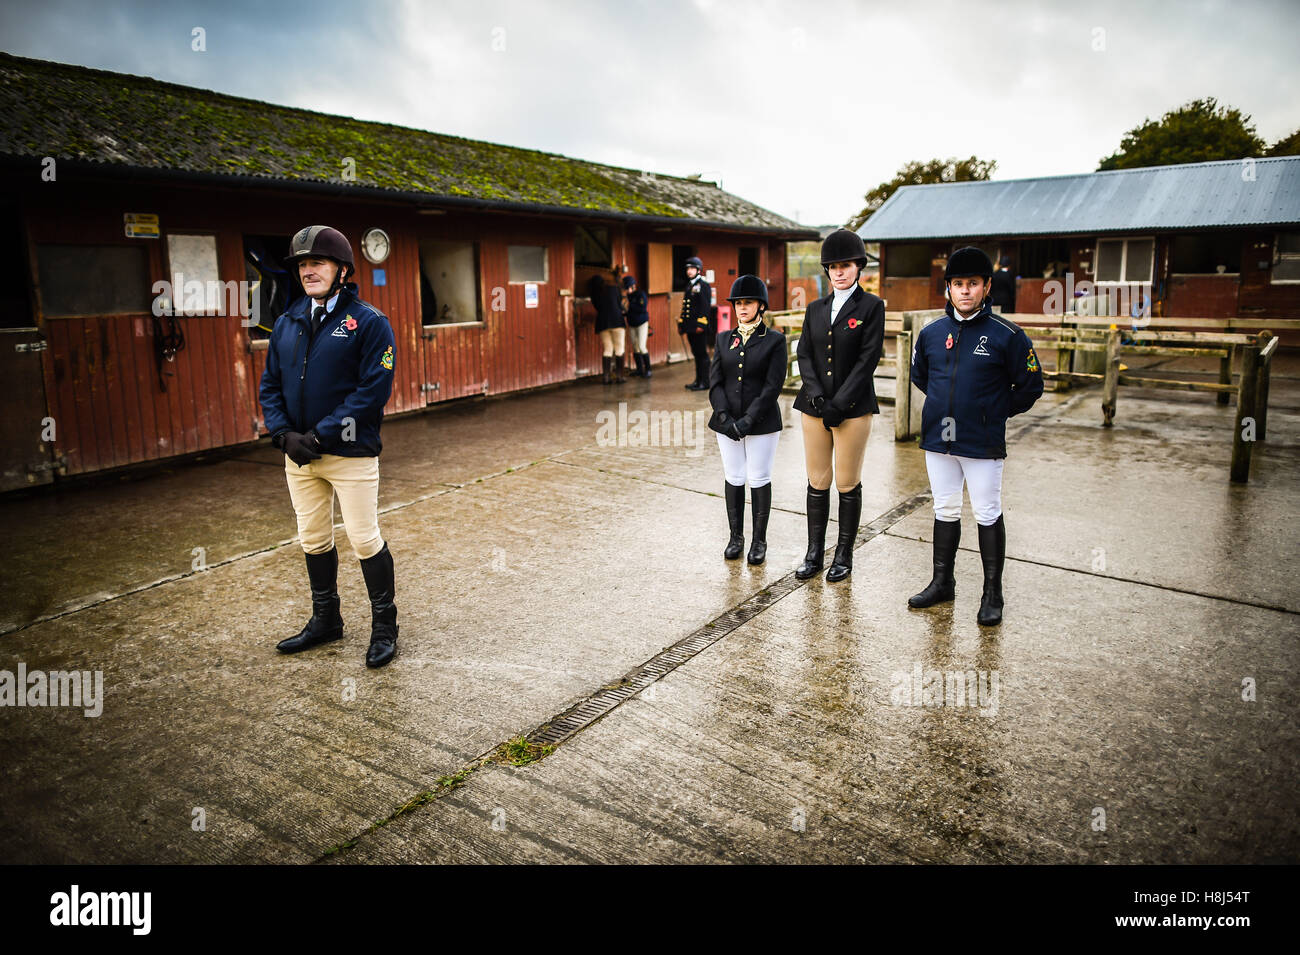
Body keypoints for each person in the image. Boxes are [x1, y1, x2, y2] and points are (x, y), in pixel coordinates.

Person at [259, 225, 400, 668]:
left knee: (363, 538)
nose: (307, 271)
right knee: (313, 539)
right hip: (298, 455)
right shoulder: (287, 321)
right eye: (302, 264)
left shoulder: (370, 322)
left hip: (349, 454)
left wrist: (321, 435)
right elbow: (270, 385)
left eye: (317, 262)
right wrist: (283, 435)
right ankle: (326, 620)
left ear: (342, 269)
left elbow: (372, 390)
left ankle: (384, 627)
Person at [907, 246, 1044, 626]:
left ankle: (992, 593)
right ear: (947, 288)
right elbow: (921, 376)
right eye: (957, 284)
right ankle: (942, 582)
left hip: (981, 442)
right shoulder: (932, 333)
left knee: (986, 512)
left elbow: (1031, 385)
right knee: (944, 509)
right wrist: (941, 406)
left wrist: (995, 412)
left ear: (986, 287)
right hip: (939, 438)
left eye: (972, 284)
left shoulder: (1008, 335)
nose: (965, 291)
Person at [791, 229, 886, 582]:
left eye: (846, 265)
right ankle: (814, 552)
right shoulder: (815, 308)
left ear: (858, 266)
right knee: (817, 480)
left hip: (853, 408)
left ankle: (843, 554)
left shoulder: (872, 307)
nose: (840, 272)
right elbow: (804, 353)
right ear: (826, 270)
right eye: (833, 266)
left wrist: (840, 403)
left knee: (846, 482)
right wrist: (817, 397)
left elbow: (868, 359)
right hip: (814, 407)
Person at [707, 275, 786, 565]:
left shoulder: (775, 340)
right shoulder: (724, 339)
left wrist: (748, 420)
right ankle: (735, 537)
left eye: (748, 302)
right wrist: (725, 417)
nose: (742, 307)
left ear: (760, 306)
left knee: (758, 477)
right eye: (738, 303)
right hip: (727, 423)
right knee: (734, 477)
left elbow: (772, 385)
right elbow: (715, 382)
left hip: (762, 424)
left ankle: (759, 540)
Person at [678, 256, 712, 390]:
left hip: (699, 327)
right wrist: (681, 324)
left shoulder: (703, 285)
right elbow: (686, 306)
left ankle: (705, 382)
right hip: (690, 327)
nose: (689, 271)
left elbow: (705, 306)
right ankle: (698, 381)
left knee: (702, 355)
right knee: (696, 354)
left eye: (692, 268)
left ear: (698, 270)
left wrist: (701, 325)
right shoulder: (690, 285)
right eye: (688, 269)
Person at [588, 272, 626, 384]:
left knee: (607, 349)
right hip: (617, 321)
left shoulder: (594, 294)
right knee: (619, 349)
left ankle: (606, 377)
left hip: (603, 323)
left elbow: (597, 307)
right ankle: (620, 377)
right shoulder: (613, 289)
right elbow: (620, 303)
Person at [623, 274, 652, 377]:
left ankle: (648, 369)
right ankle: (639, 369)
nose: (627, 291)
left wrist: (629, 307)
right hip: (632, 324)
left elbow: (642, 309)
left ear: (633, 286)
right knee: (635, 347)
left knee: (642, 346)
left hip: (642, 323)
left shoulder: (641, 294)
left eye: (628, 288)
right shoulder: (628, 296)